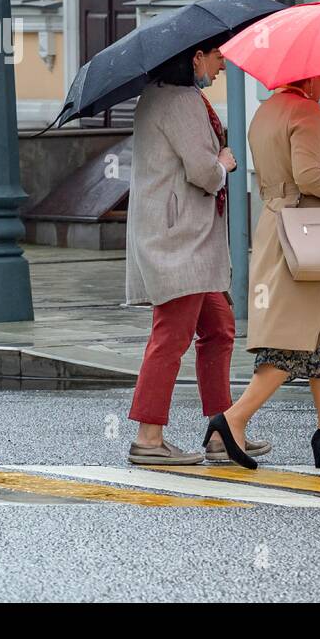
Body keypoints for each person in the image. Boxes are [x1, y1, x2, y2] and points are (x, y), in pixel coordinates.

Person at [205, 73, 320, 471]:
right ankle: (233, 419)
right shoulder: (306, 111)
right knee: (292, 338)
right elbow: (308, 176)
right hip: (303, 233)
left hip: (276, 227)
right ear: (309, 77)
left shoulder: (265, 112)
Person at [123, 43, 271, 465]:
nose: (224, 63)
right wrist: (224, 162)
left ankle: (222, 433)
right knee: (171, 335)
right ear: (195, 57)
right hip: (179, 242)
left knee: (219, 329)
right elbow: (205, 172)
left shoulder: (162, 94)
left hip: (186, 241)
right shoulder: (180, 100)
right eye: (217, 55)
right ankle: (149, 438)